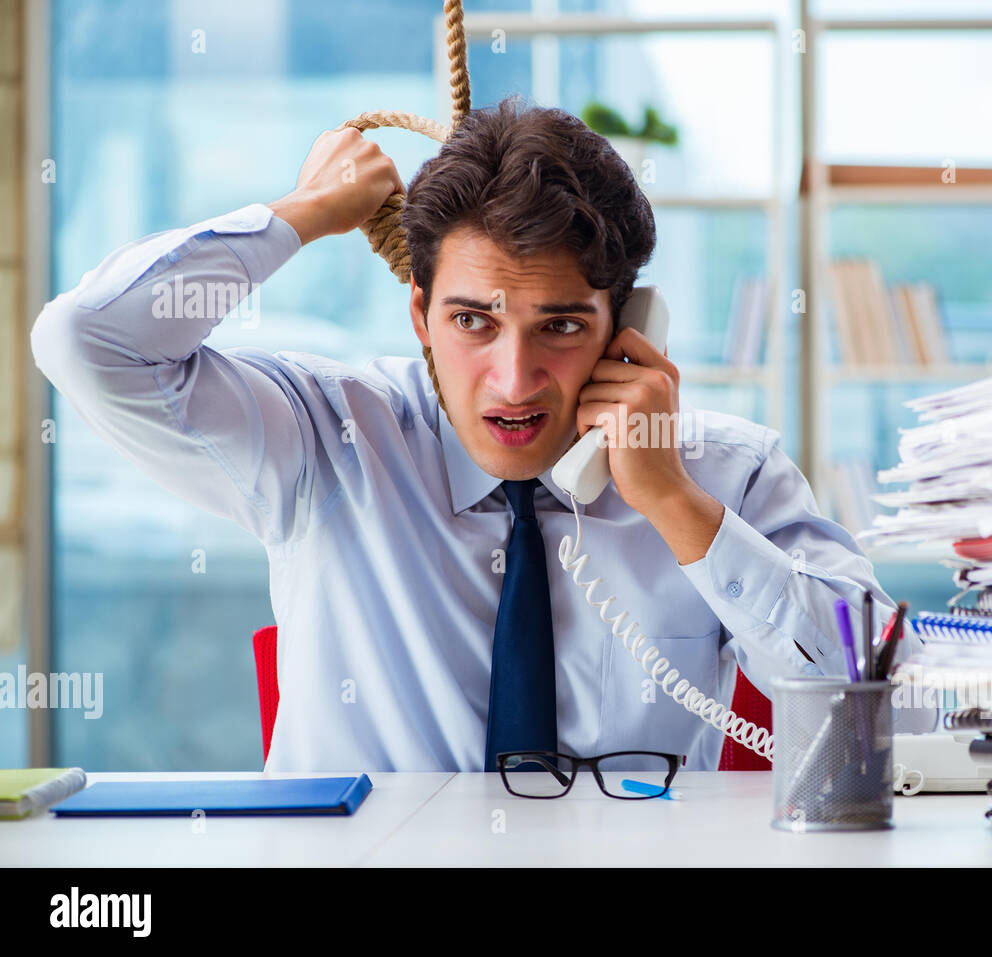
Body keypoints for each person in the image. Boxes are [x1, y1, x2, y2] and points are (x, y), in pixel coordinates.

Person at [30, 94, 921, 773]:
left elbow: (899, 705)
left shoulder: (725, 471)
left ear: (628, 326)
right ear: (418, 313)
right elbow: (87, 339)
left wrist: (678, 510)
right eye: (473, 322)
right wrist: (303, 213)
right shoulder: (326, 438)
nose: (515, 377)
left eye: (563, 326)